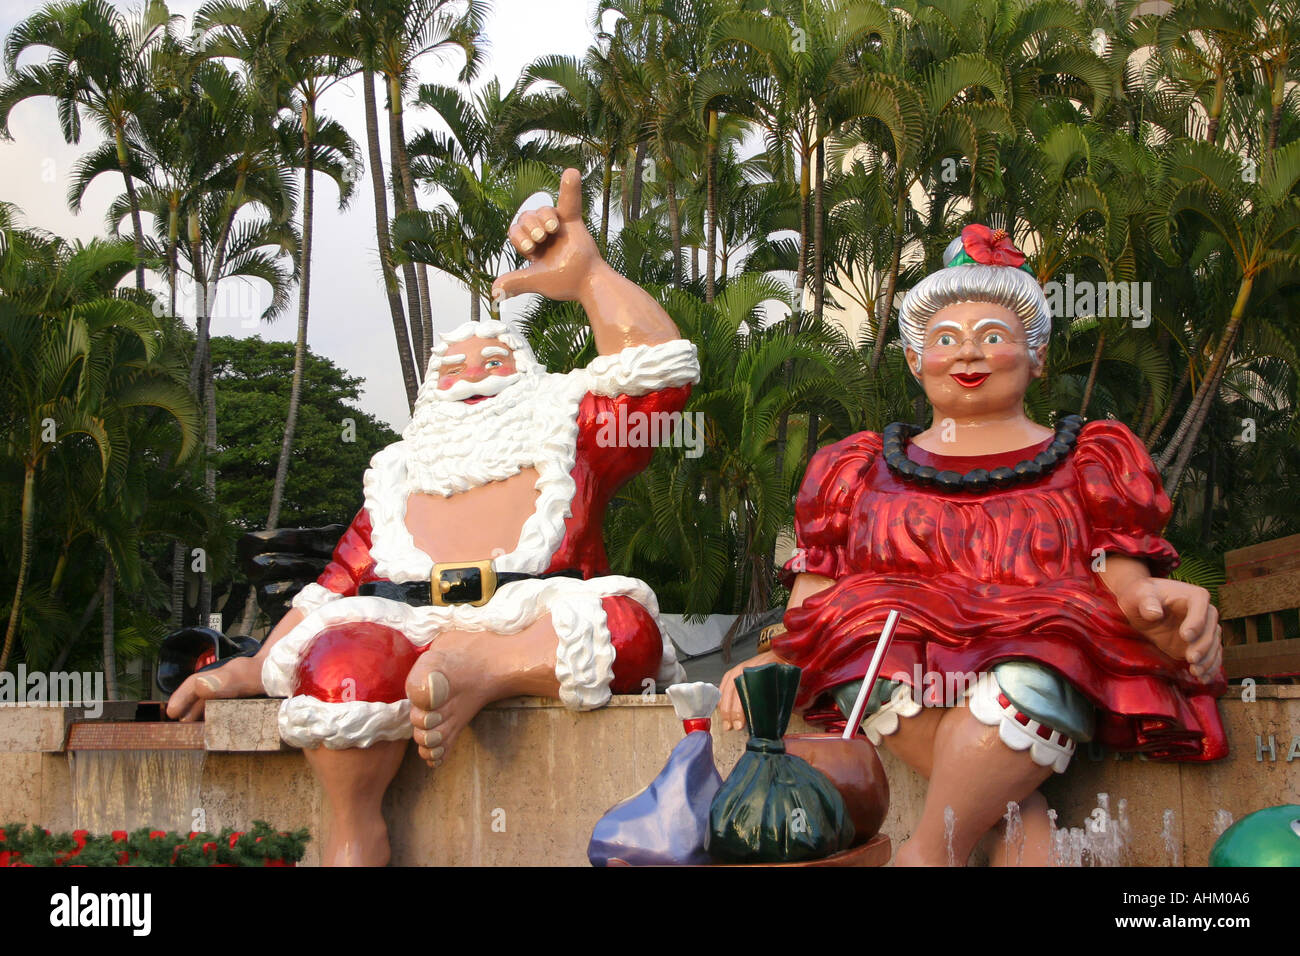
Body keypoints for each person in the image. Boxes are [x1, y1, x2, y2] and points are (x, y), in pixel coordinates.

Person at [167, 168, 698, 866]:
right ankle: (355, 829)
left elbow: (660, 377)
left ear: (529, 374)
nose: (475, 375)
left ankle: (486, 668)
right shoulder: (395, 474)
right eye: (456, 367)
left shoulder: (569, 428)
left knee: (625, 630)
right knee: (341, 658)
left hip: (524, 622)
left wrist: (588, 272)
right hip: (408, 623)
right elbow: (331, 589)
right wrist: (254, 664)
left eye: (494, 360)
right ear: (428, 393)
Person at [719, 224, 1225, 866]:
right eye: (945, 339)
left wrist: (1157, 610)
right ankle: (986, 818)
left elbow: (1124, 583)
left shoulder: (1087, 460)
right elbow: (814, 602)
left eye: (993, 337)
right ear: (913, 359)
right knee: (861, 646)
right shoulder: (858, 470)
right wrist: (772, 661)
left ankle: (928, 853)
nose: (968, 355)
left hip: (1042, 651)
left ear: (1036, 357)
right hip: (885, 668)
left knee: (1035, 668)